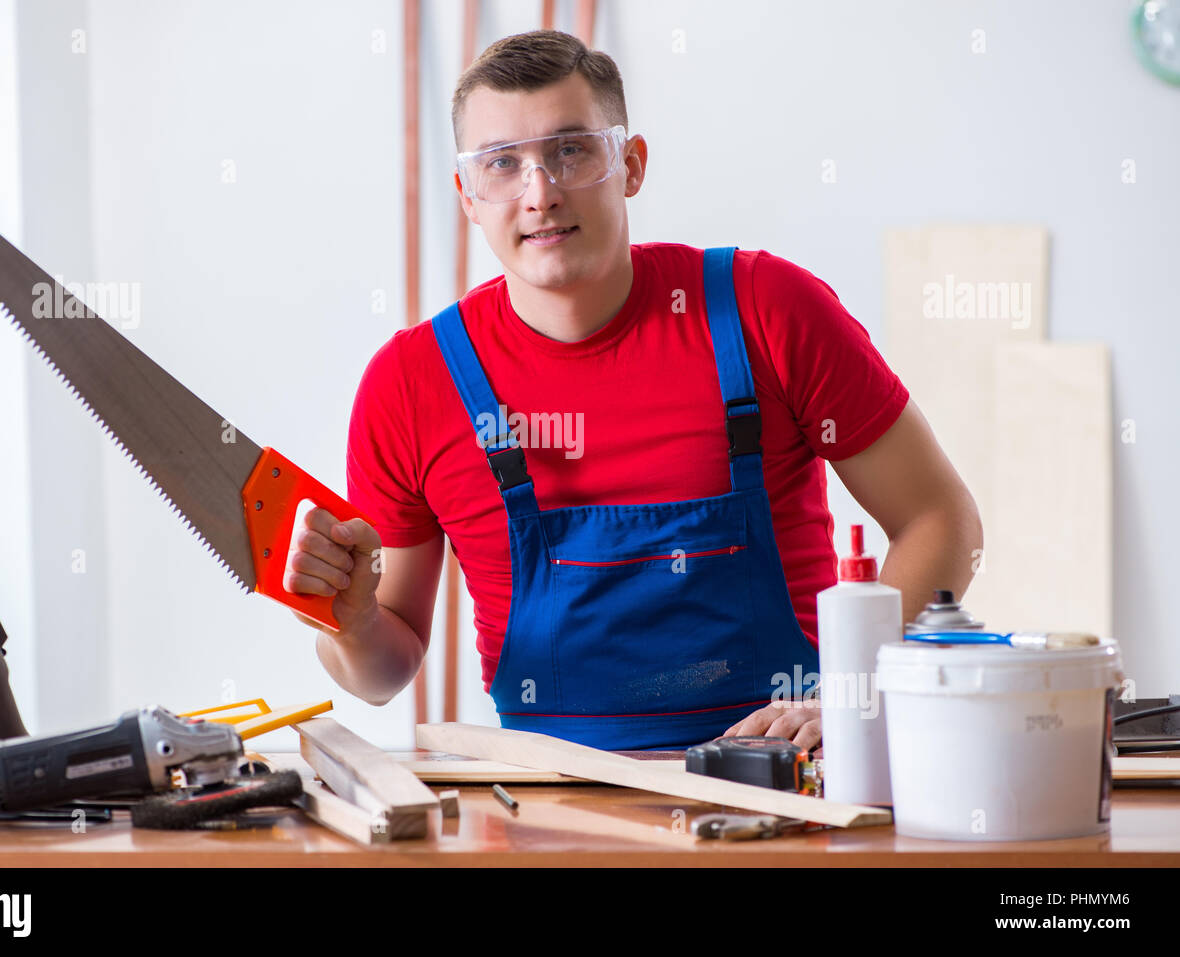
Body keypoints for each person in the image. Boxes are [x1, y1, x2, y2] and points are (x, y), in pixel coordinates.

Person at [285, 29, 982, 750]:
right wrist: (354, 622)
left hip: (787, 793)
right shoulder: (411, 383)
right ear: (467, 194)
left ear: (632, 163)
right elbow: (382, 673)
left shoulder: (766, 312)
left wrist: (851, 692)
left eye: (571, 150)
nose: (541, 194)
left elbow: (943, 519)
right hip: (551, 817)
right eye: (502, 165)